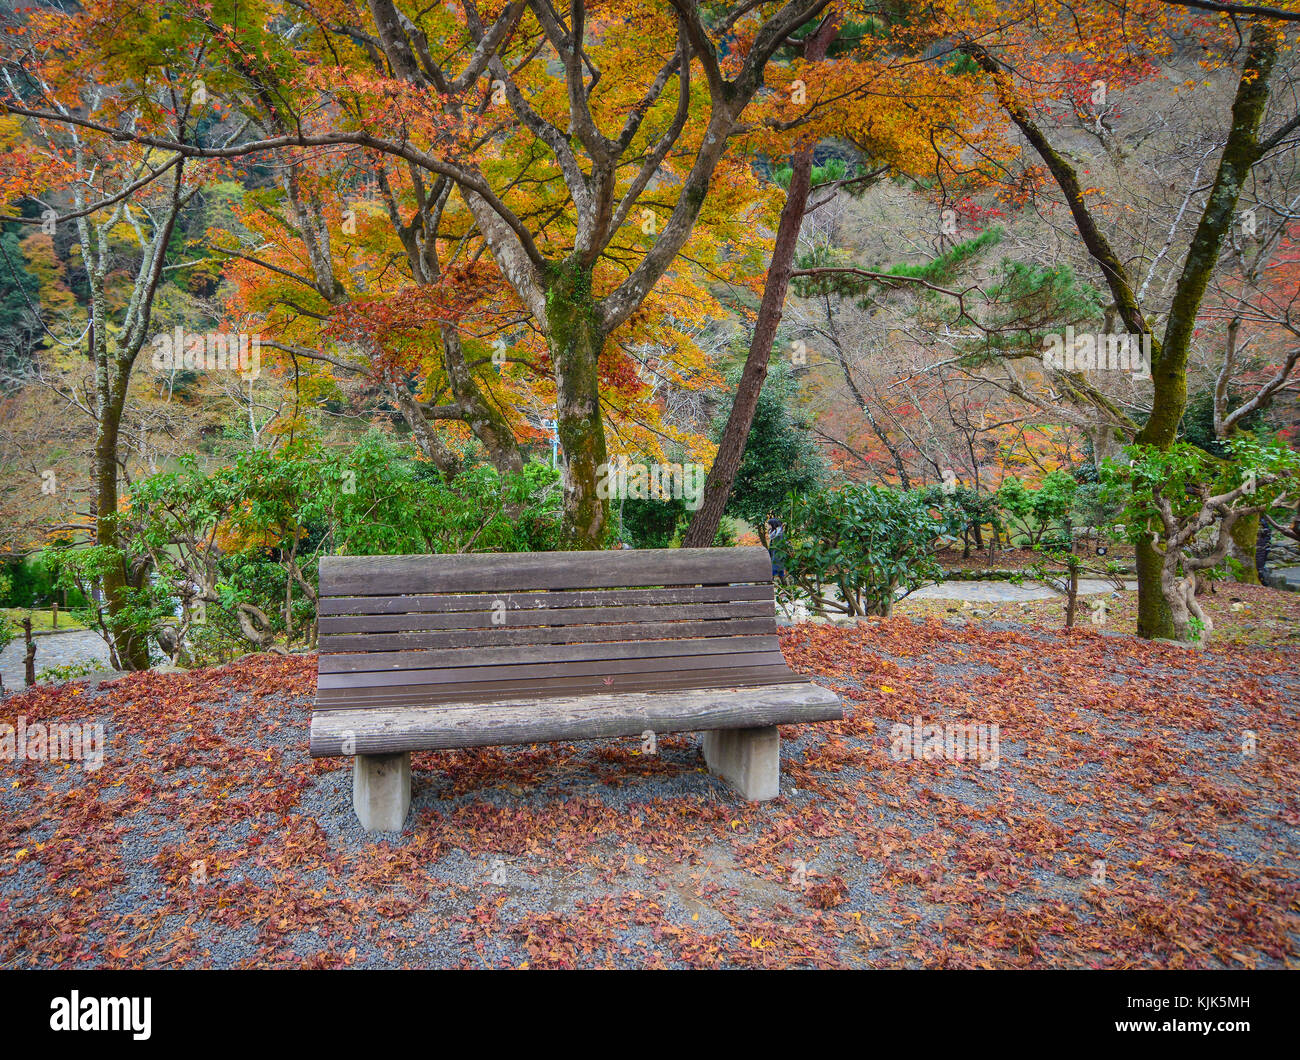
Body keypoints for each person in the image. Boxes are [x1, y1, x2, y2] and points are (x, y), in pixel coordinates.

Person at [766, 514, 786, 581]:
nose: (767, 526)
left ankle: (785, 588)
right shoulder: (774, 534)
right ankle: (786, 588)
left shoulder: (779, 535)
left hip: (778, 558)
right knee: (780, 575)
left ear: (772, 525)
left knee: (774, 574)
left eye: (768, 524)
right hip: (775, 558)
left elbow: (778, 548)